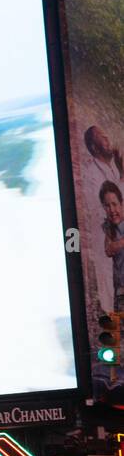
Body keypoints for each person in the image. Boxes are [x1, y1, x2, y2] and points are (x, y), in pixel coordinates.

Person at [84, 125, 124, 314]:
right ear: (93, 146)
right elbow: (104, 210)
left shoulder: (113, 167)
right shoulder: (91, 173)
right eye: (101, 136)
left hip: (118, 241)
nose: (106, 136)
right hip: (107, 241)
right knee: (110, 291)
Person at [101, 181, 124, 311]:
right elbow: (108, 250)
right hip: (121, 290)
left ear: (122, 203)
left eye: (114, 204)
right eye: (107, 206)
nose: (112, 210)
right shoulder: (109, 226)